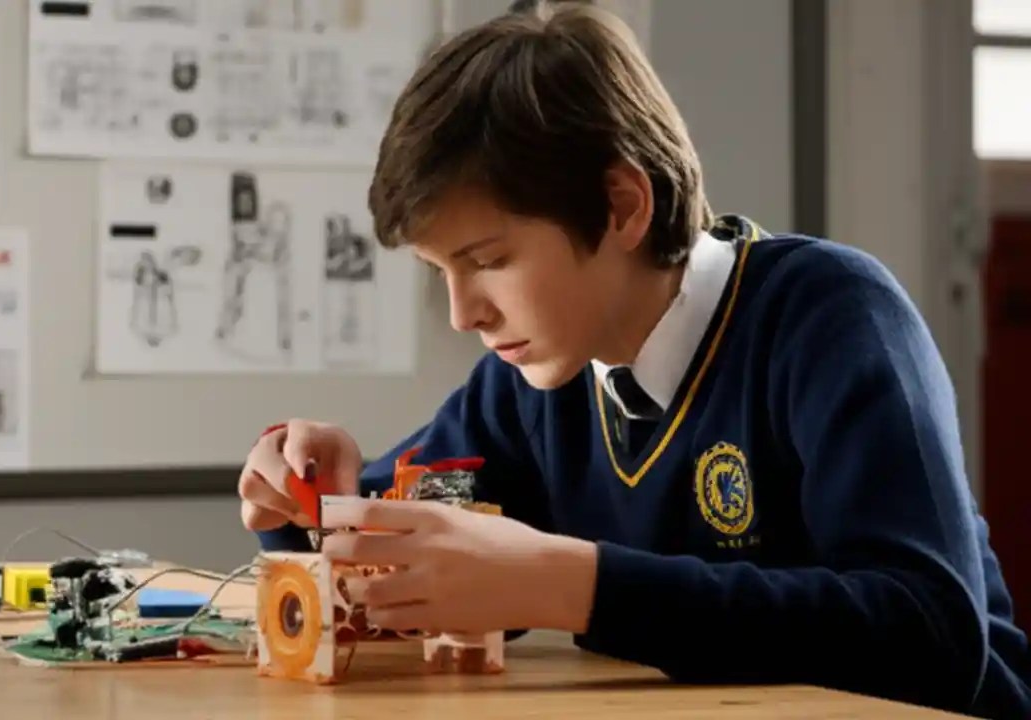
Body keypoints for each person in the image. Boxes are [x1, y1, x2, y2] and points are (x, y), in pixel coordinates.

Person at [236, 3, 1031, 718]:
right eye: (439, 272)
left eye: (488, 259)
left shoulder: (831, 315)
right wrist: (312, 508)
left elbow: (932, 637)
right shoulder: (530, 385)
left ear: (622, 206)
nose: (462, 312)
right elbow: (401, 567)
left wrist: (575, 584)